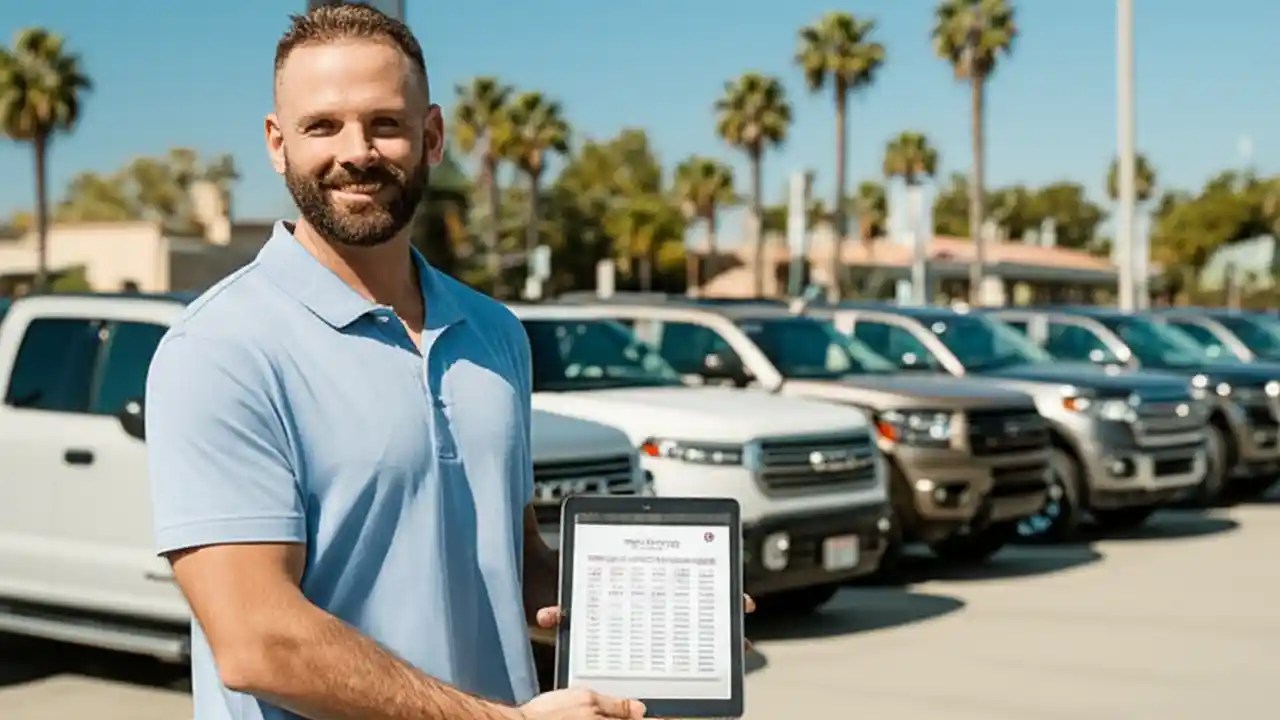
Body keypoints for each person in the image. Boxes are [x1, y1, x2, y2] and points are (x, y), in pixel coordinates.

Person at [145, 5, 652, 719]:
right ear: (277, 143)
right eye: (322, 126)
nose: (357, 151)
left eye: (384, 122)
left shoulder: (495, 331)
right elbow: (259, 641)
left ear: (432, 135)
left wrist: (664, 602)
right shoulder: (220, 350)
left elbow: (512, 560)